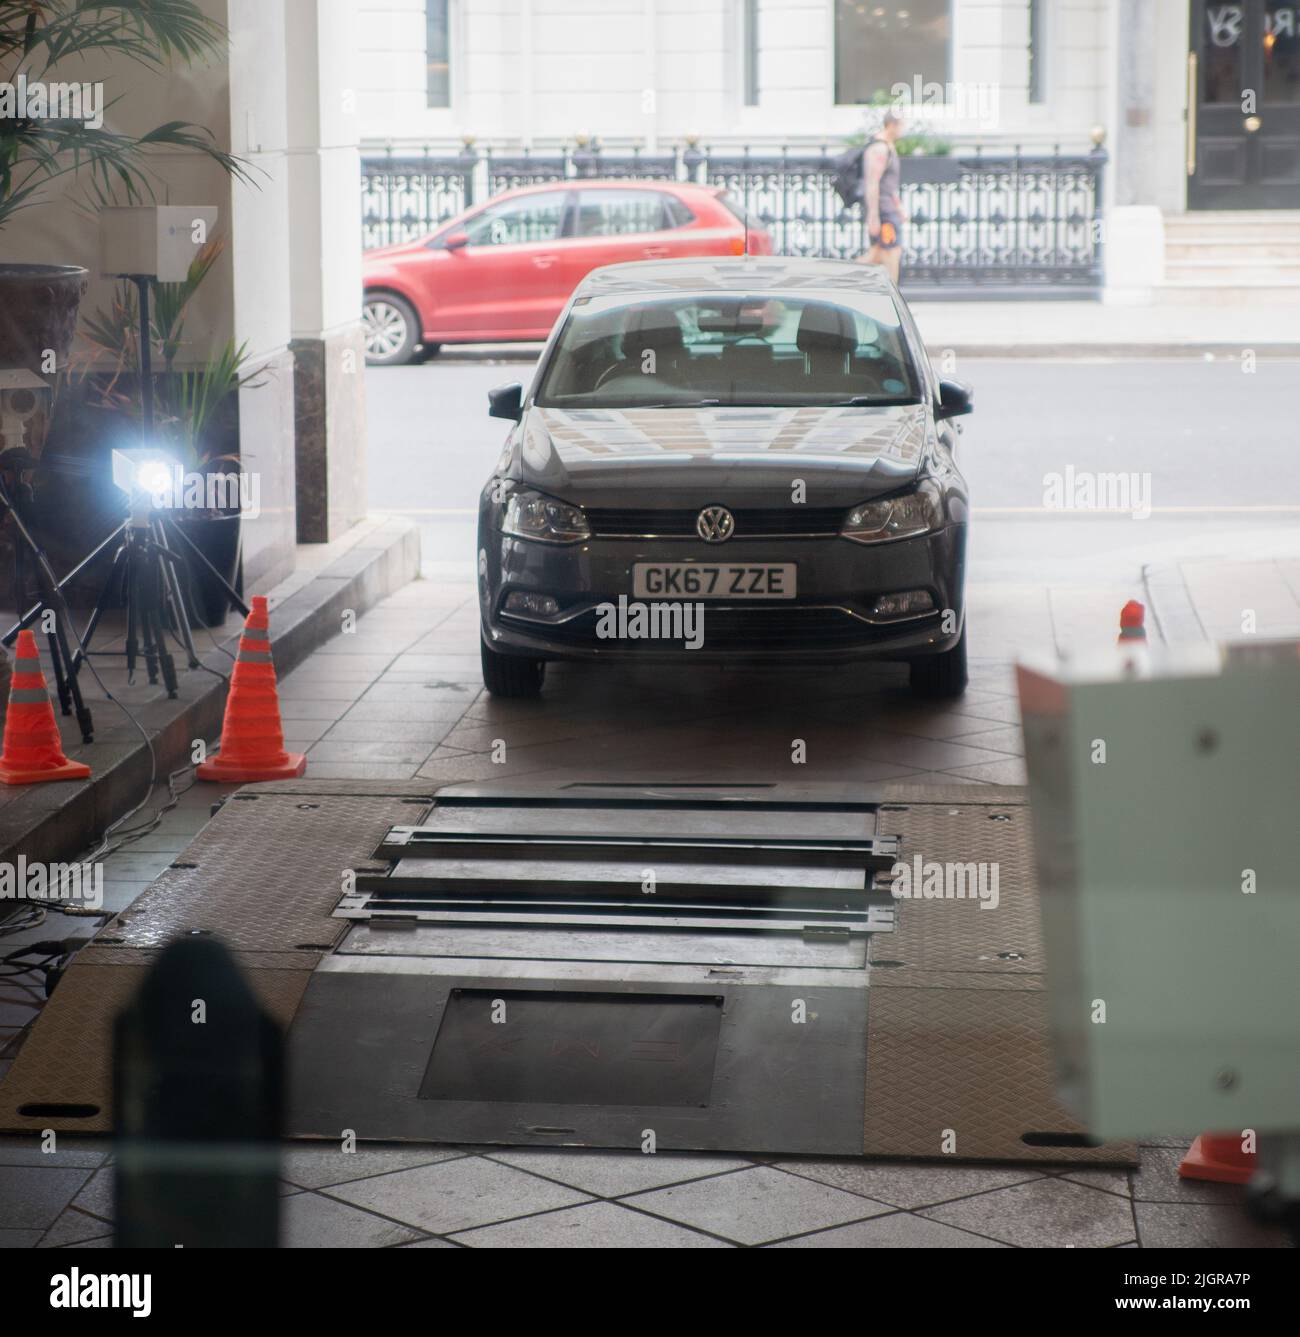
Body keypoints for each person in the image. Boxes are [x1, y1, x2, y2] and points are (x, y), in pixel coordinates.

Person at [858, 111, 905, 282]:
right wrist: (873, 216)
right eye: (902, 125)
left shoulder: (888, 147)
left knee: (880, 254)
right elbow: (872, 183)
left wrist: (898, 206)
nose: (903, 130)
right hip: (884, 211)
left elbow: (889, 183)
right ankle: (892, 301)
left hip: (888, 209)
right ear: (892, 125)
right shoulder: (879, 148)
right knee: (889, 253)